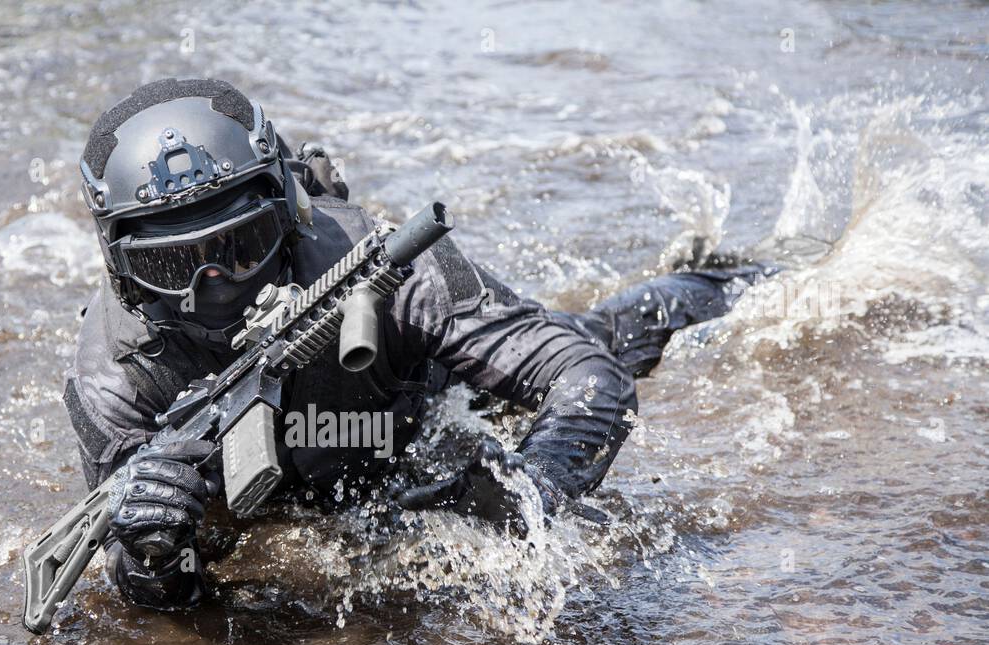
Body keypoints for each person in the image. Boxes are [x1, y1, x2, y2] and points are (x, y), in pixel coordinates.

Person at [64, 77, 770, 609]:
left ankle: (746, 274)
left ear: (287, 213)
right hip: (292, 488)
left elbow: (587, 376)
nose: (214, 284)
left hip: (428, 414)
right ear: (120, 264)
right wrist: (151, 554)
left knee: (623, 329)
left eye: (241, 246)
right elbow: (150, 592)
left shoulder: (388, 266)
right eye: (171, 265)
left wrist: (531, 498)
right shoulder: (112, 377)